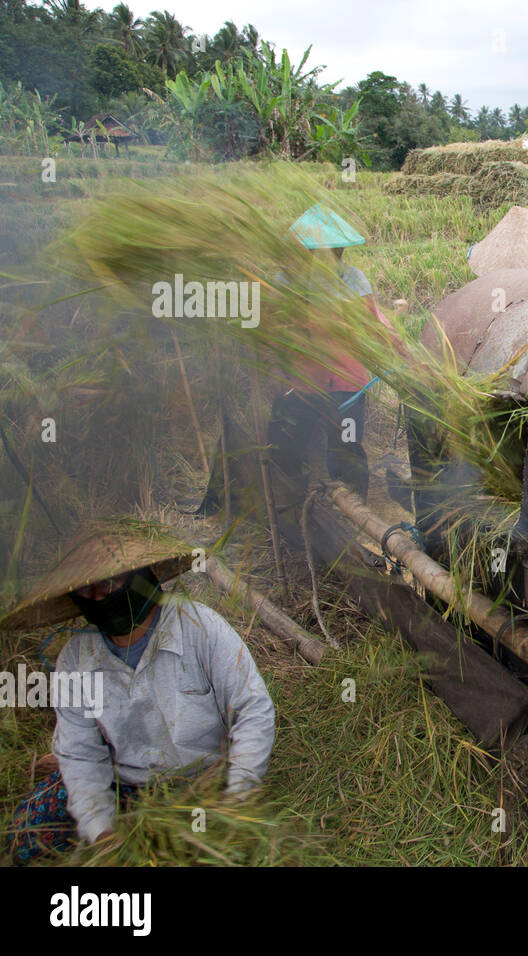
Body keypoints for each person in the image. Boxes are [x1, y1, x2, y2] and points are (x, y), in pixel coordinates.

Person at [1, 531, 275, 862]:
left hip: (201, 783)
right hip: (125, 784)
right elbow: (81, 754)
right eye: (88, 589)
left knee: (208, 851)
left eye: (111, 583)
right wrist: (102, 833)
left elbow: (253, 710)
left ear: (141, 577)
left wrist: (238, 796)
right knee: (27, 835)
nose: (100, 595)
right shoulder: (75, 659)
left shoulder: (200, 626)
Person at [268, 204, 396, 505]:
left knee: (347, 448)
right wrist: (275, 367)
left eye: (334, 250)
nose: (329, 256)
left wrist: (396, 349)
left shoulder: (354, 280)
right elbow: (273, 332)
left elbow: (372, 327)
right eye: (319, 251)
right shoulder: (285, 283)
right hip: (298, 382)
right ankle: (290, 517)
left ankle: (354, 514)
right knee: (287, 449)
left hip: (346, 383)